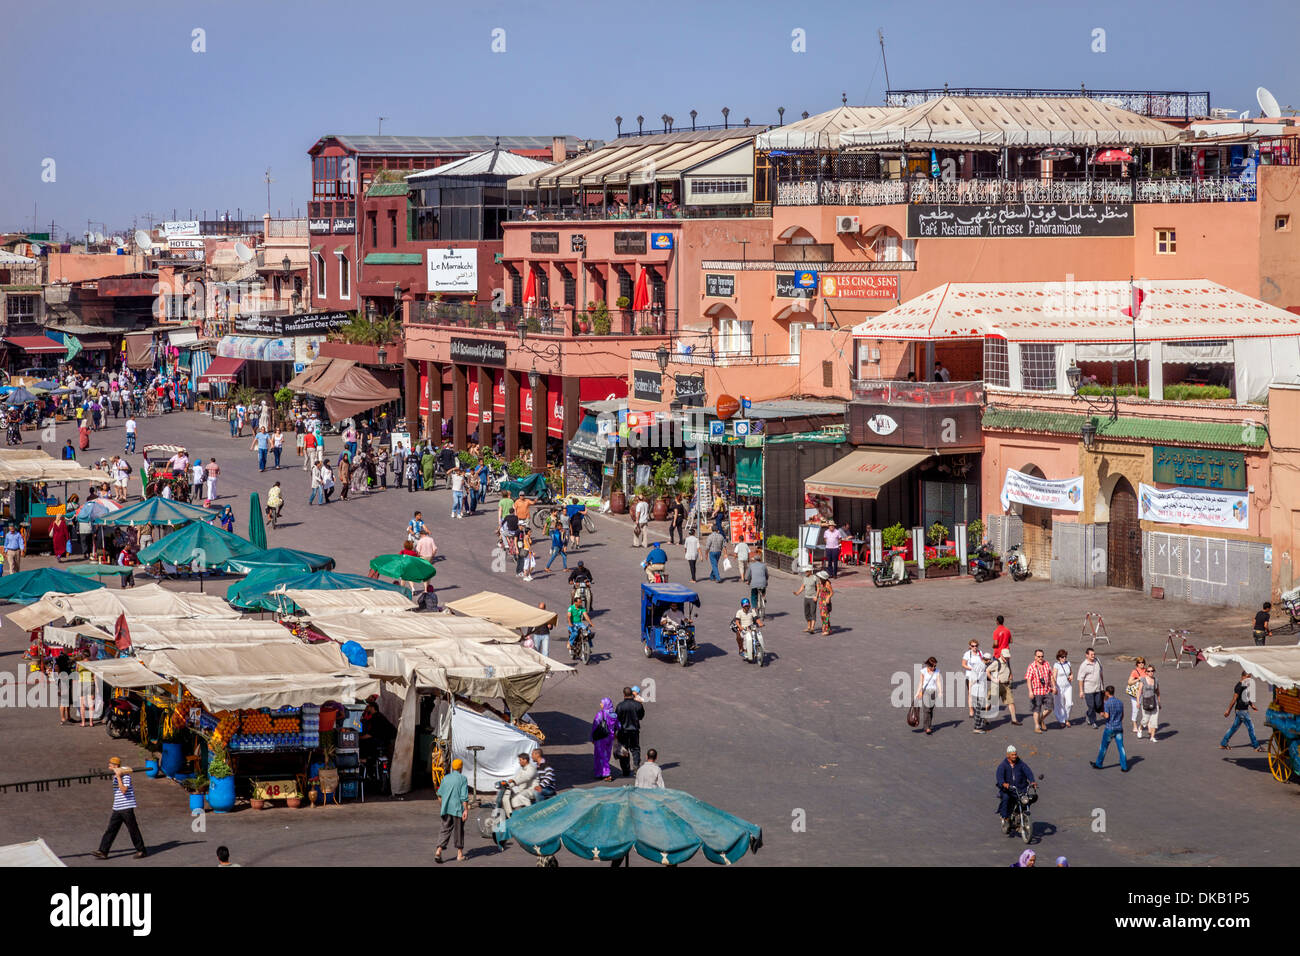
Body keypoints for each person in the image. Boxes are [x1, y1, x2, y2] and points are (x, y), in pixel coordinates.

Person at [91, 757, 147, 859]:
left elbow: (124, 790)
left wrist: (119, 777)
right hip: (117, 807)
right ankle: (103, 851)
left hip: (126, 808)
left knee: (133, 829)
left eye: (111, 764)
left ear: (116, 766)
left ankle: (141, 850)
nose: (109, 765)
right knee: (111, 830)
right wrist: (117, 776)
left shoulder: (126, 777)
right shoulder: (116, 776)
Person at [434, 757, 470, 863]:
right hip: (457, 809)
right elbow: (464, 796)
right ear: (461, 768)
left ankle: (438, 851)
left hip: (446, 808)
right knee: (459, 831)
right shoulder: (463, 779)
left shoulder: (446, 778)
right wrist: (466, 810)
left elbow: (439, 795)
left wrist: (443, 806)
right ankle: (459, 854)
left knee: (445, 830)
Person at [1221, 670, 1265, 751]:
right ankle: (1256, 746)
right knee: (1251, 728)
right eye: (1248, 677)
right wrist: (1228, 710)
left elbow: (1246, 697)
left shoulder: (1245, 685)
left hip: (1241, 711)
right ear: (1243, 676)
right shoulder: (1239, 686)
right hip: (1242, 711)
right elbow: (1234, 699)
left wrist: (1251, 705)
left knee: (1234, 728)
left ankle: (1223, 743)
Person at [995, 745, 1036, 829]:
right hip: (1008, 790)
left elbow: (1028, 772)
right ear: (1008, 755)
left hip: (1021, 788)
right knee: (1006, 798)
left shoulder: (1021, 764)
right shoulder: (1002, 766)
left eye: (1015, 754)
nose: (1014, 756)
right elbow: (999, 777)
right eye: (1012, 755)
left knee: (1031, 798)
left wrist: (1032, 781)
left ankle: (1021, 815)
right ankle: (1005, 818)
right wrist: (1004, 783)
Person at [1091, 686, 1130, 772]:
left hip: (1110, 728)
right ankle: (1124, 766)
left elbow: (1107, 716)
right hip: (1119, 727)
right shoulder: (1120, 702)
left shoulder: (1107, 703)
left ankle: (1099, 763)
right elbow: (1122, 716)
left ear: (1107, 693)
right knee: (1121, 747)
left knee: (1104, 747)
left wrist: (1102, 714)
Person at [614, 687, 644, 777]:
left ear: (624, 694)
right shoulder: (638, 705)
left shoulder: (620, 706)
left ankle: (626, 770)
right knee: (635, 749)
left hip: (623, 731)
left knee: (623, 750)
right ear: (632, 694)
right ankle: (636, 766)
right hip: (634, 730)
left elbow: (616, 719)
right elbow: (641, 716)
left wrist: (614, 732)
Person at [1025, 649, 1054, 734]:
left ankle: (1041, 719)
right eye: (1038, 656)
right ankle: (1037, 726)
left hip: (1046, 690)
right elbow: (1028, 680)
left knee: (1050, 708)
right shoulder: (1031, 666)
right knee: (1036, 709)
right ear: (1035, 657)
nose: (1040, 658)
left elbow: (1051, 676)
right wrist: (1030, 691)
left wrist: (1054, 686)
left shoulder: (1047, 664)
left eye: (1042, 656)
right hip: (1036, 691)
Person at [591, 698, 619, 781]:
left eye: (602, 703)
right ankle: (601, 772)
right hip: (610, 738)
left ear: (605, 704)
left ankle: (605, 773)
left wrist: (593, 737)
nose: (600, 704)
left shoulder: (600, 714)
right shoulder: (614, 715)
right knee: (606, 755)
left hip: (600, 738)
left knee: (600, 755)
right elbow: (619, 726)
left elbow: (595, 726)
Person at [1077, 647, 1105, 728]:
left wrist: (1102, 685)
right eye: (1091, 654)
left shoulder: (1098, 661)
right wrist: (1081, 691)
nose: (1093, 656)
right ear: (1087, 655)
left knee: (1099, 705)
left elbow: (1101, 673)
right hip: (1088, 690)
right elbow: (1080, 679)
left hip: (1098, 688)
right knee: (1091, 706)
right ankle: (1093, 722)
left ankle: (1088, 714)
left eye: (1094, 654)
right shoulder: (1084, 665)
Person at [914, 656, 942, 735]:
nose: (934, 667)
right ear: (928, 665)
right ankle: (926, 727)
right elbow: (921, 682)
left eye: (935, 666)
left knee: (931, 710)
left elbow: (938, 681)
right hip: (925, 691)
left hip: (933, 692)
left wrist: (940, 692)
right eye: (932, 666)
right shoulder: (923, 671)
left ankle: (928, 725)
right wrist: (918, 692)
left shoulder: (937, 671)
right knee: (926, 710)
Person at [1137, 664, 1160, 742]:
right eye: (1149, 671)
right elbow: (1139, 691)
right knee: (1145, 719)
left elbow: (1158, 692)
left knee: (1154, 720)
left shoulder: (1156, 680)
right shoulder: (1143, 679)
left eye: (1152, 671)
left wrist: (1159, 702)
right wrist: (1138, 702)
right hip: (1145, 701)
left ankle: (1152, 737)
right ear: (1146, 672)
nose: (1151, 672)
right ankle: (1140, 728)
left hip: (1154, 702)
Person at [962, 639, 984, 718]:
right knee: (971, 694)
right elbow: (963, 664)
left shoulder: (980, 653)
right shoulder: (967, 654)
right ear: (970, 646)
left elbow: (982, 662)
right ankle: (971, 710)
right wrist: (972, 669)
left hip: (979, 677)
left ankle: (979, 709)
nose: (974, 647)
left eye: (976, 646)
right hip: (970, 676)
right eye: (972, 646)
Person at [1126, 656, 1148, 734]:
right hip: (1135, 694)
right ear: (1137, 664)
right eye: (1139, 663)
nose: (1141, 664)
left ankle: (1143, 724)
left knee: (1146, 710)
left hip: (1145, 693)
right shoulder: (1135, 671)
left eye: (1143, 662)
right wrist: (1138, 679)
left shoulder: (1147, 670)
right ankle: (1134, 725)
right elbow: (1129, 682)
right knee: (1136, 709)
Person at [971, 652, 992, 733]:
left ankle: (980, 723)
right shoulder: (983, 666)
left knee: (978, 709)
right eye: (990, 660)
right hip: (979, 690)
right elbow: (979, 677)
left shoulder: (977, 664)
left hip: (974, 690)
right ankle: (977, 728)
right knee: (980, 710)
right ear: (988, 660)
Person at [1053, 649, 1074, 728]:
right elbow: (1054, 677)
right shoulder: (1056, 665)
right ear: (1059, 657)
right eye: (1062, 657)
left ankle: (1066, 719)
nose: (1064, 658)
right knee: (1060, 704)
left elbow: (1071, 673)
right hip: (1059, 687)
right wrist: (1054, 687)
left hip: (1068, 686)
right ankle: (1061, 720)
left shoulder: (1068, 663)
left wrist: (1071, 676)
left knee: (1069, 704)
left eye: (1065, 656)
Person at [794, 567, 818, 634]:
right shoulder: (805, 578)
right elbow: (803, 586)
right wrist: (798, 592)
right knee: (806, 613)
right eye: (805, 571)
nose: (806, 572)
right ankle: (808, 627)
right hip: (806, 597)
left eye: (807, 571)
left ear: (810, 571)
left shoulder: (814, 578)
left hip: (813, 597)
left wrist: (816, 596)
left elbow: (818, 588)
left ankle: (812, 628)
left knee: (812, 612)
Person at [815, 570, 833, 634]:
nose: (819, 578)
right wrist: (817, 596)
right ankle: (827, 628)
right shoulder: (821, 582)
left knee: (826, 615)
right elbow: (819, 589)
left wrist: (828, 597)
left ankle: (827, 630)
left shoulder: (827, 583)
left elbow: (831, 592)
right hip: (821, 601)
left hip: (826, 601)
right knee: (822, 615)